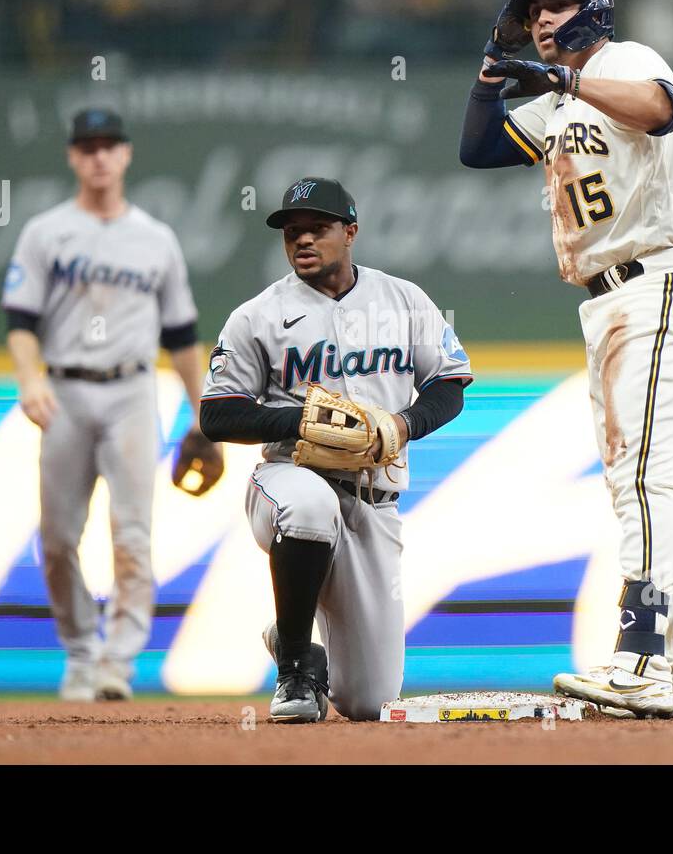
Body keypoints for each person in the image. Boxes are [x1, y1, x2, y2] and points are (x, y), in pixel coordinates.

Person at [460, 0, 673, 719]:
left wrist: (565, 82)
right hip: (608, 299)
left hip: (659, 280)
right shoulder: (552, 100)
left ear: (595, 10)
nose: (543, 19)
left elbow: (661, 109)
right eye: (533, 8)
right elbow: (477, 149)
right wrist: (487, 76)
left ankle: (638, 661)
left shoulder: (623, 61)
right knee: (642, 483)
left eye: (559, 3)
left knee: (643, 479)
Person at [199, 177, 472, 722]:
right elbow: (217, 413)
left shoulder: (403, 299)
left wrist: (402, 424)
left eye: (317, 229)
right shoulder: (257, 315)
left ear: (350, 232)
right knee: (309, 507)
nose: (302, 240)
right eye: (292, 232)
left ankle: (290, 633)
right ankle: (296, 668)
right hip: (288, 479)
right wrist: (300, 421)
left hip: (375, 499)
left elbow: (449, 382)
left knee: (370, 700)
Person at [1, 108, 220, 702]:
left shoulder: (155, 239)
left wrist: (207, 417)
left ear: (125, 155)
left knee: (131, 535)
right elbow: (20, 319)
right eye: (86, 146)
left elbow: (180, 337)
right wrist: (28, 378)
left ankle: (117, 661)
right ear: (74, 157)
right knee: (56, 537)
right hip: (65, 389)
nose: (98, 156)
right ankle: (79, 652)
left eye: (108, 145)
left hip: (131, 390)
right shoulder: (46, 232)